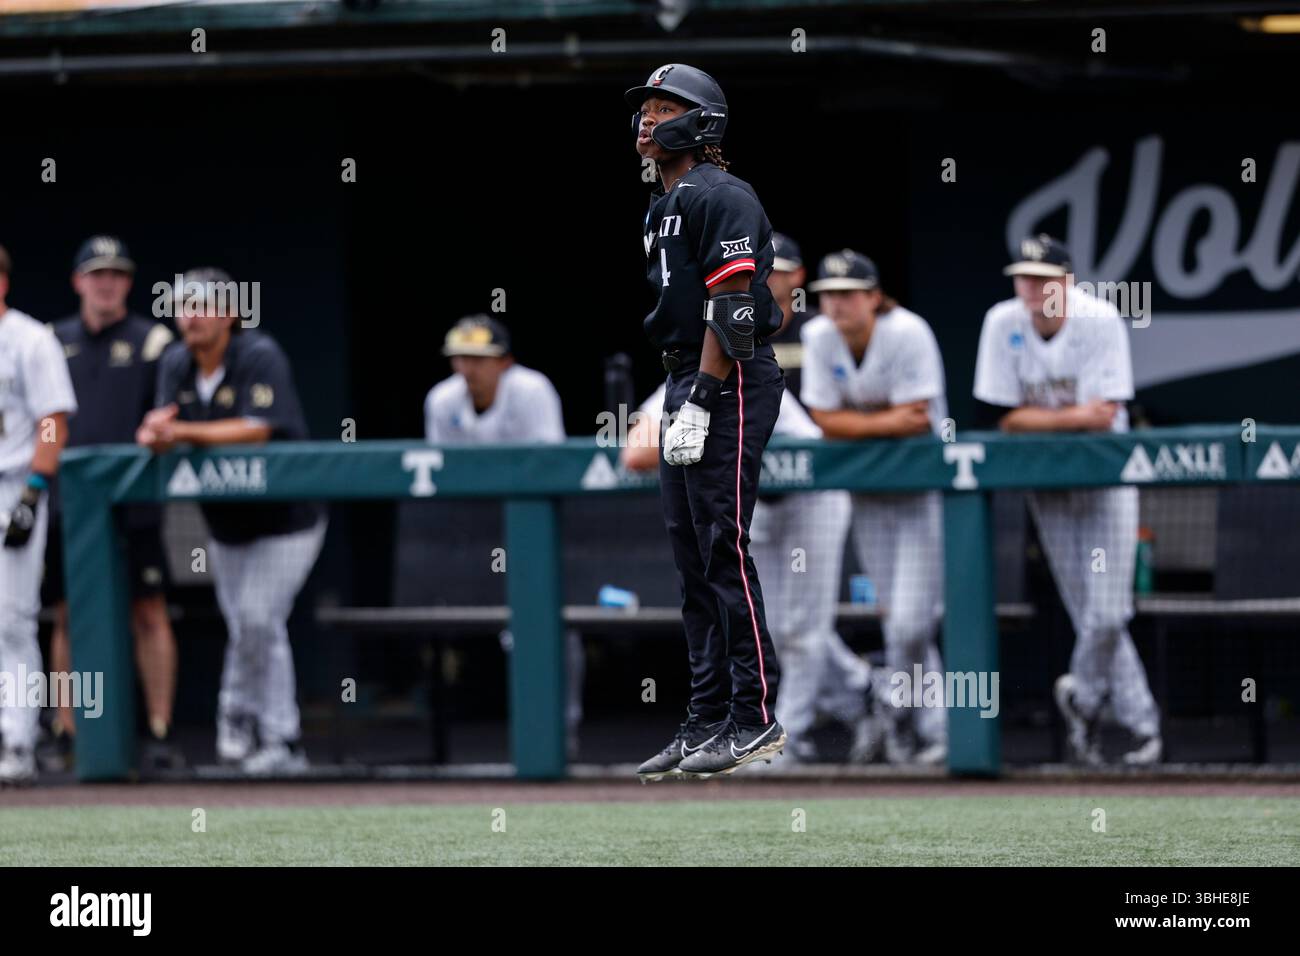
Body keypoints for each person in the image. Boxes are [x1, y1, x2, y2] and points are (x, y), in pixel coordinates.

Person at [627, 63, 787, 779]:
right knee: (689, 557)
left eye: (665, 108)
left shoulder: (723, 194)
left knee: (723, 544)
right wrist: (681, 393)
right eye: (645, 109)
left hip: (729, 375)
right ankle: (703, 719)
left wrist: (702, 397)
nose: (648, 120)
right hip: (682, 374)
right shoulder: (661, 203)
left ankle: (753, 717)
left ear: (702, 121)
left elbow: (738, 310)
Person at [973, 234, 1161, 766]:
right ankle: (1142, 729)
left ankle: (1081, 693)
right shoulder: (1001, 321)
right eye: (1023, 278)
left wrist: (1036, 420)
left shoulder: (1099, 319)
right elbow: (998, 416)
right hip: (1047, 485)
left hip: (1104, 481)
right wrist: (1066, 417)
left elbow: (1104, 415)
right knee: (1088, 610)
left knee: (1106, 612)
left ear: (1066, 284)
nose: (1031, 289)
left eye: (1043, 279)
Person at [138, 268, 326, 775]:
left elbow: (257, 428)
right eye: (183, 305)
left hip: (289, 520)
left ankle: (270, 731)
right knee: (248, 625)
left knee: (259, 619)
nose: (191, 316)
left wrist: (180, 432)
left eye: (203, 305)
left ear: (230, 314)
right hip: (227, 524)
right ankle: (255, 727)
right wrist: (157, 431)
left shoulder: (258, 354)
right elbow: (163, 423)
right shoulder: (176, 362)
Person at [800, 249, 949, 764]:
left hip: (920, 493)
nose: (835, 305)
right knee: (899, 623)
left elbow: (917, 418)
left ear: (874, 297)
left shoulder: (908, 332)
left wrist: (853, 425)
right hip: (869, 497)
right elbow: (823, 419)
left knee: (911, 623)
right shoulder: (819, 336)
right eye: (827, 295)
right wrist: (882, 421)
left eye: (847, 294)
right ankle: (929, 730)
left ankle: (895, 709)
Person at [44, 235, 181, 771]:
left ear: (129, 283)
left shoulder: (154, 341)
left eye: (118, 274)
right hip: (69, 508)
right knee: (68, 615)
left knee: (149, 611)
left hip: (136, 505)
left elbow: (169, 410)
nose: (107, 283)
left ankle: (159, 729)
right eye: (97, 273)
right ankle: (66, 729)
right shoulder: (52, 340)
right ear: (78, 281)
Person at [423, 315, 584, 757]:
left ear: (504, 361)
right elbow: (440, 480)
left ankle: (561, 731)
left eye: (480, 359)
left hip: (536, 532)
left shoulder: (531, 390)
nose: (468, 369)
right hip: (471, 537)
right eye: (461, 358)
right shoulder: (441, 400)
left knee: (554, 627)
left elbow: (549, 468)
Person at [0, 244, 78, 786]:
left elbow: (53, 421)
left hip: (12, 486)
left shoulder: (31, 339)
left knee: (12, 622)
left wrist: (32, 490)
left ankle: (18, 740)